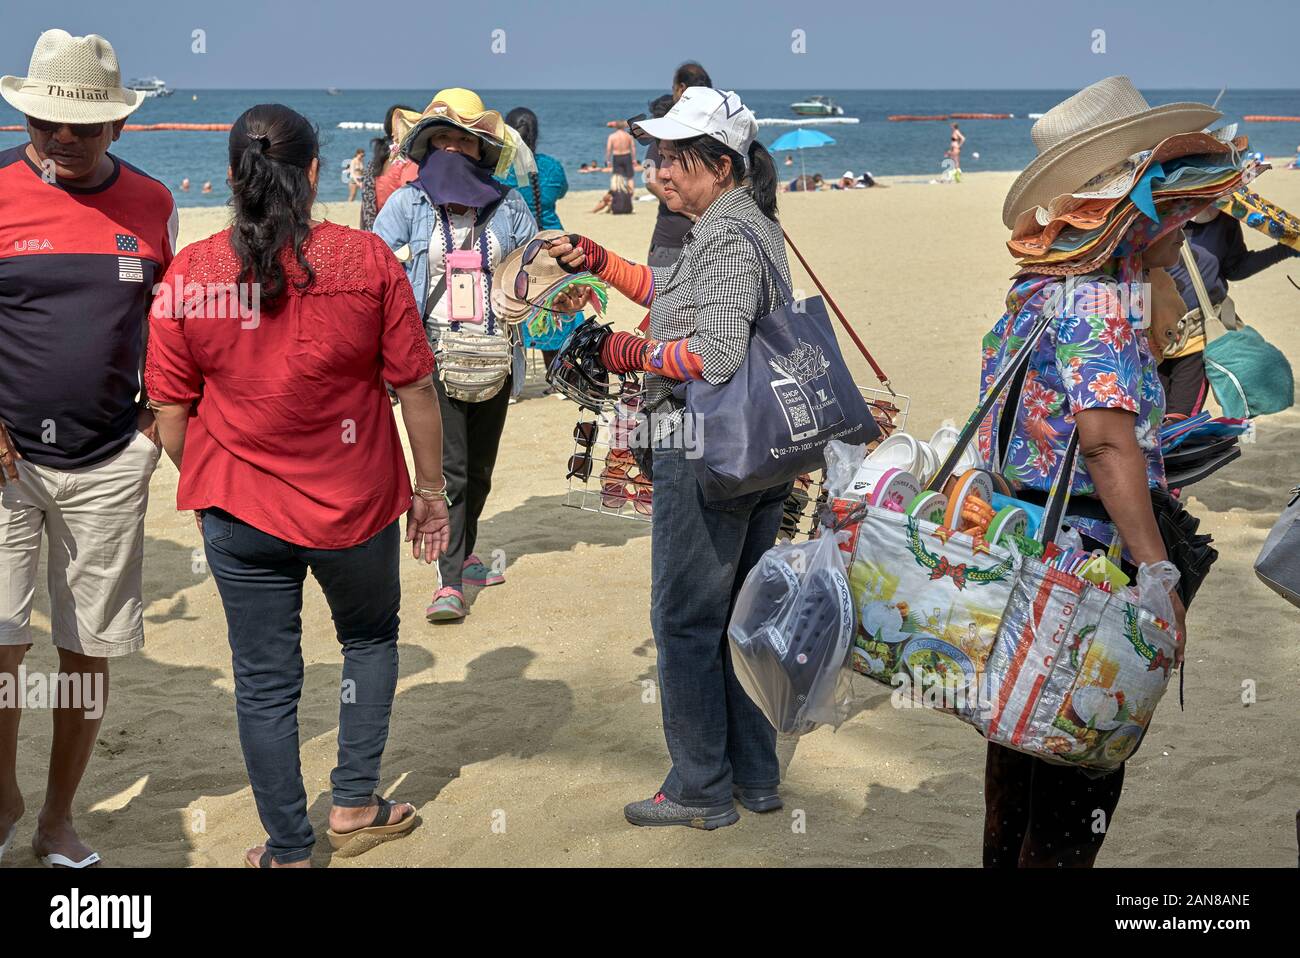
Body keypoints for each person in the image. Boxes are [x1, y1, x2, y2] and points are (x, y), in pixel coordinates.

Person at [146, 104, 449, 868]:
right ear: (315, 173)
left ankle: (287, 846)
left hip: (239, 511)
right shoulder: (367, 260)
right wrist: (433, 489)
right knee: (370, 640)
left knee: (264, 681)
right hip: (355, 501)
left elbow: (170, 410)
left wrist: (217, 481)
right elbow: (415, 386)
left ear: (230, 179)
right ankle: (353, 804)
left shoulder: (193, 274)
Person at [984, 77, 1233, 867]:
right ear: (1137, 207)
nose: (1193, 222)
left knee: (1018, 762)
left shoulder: (1038, 288)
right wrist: (1157, 574)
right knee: (1074, 785)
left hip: (1022, 549)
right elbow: (1105, 444)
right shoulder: (1096, 302)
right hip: (1085, 573)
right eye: (1179, 205)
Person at [545, 87, 791, 829]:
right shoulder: (738, 224)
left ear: (719, 165)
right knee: (734, 616)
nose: (657, 173)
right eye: (653, 159)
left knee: (685, 620)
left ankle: (698, 788)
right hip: (759, 449)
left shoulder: (726, 237)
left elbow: (711, 355)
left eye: (671, 160)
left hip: (707, 447)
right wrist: (598, 261)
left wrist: (626, 350)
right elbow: (673, 294)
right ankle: (753, 775)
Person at [0, 29, 176, 869]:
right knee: (1, 639)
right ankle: (3, 793)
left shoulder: (151, 203)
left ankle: (57, 821)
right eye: (44, 124)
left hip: (110, 457)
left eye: (80, 127)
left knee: (86, 646)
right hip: (6, 464)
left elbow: (185, 323)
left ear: (117, 129)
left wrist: (159, 420)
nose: (61, 140)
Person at [375, 89, 581, 621]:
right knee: (453, 468)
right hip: (432, 355)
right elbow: (376, 273)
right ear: (424, 146)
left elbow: (532, 270)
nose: (449, 149)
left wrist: (566, 288)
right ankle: (449, 582)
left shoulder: (508, 205)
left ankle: (465, 555)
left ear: (479, 149)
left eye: (460, 141)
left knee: (483, 469)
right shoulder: (406, 204)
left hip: (495, 352)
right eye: (439, 140)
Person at [1160, 206, 1300, 416]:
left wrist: (1285, 249)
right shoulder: (1150, 217)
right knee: (1149, 418)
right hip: (1150, 339)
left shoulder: (1224, 218)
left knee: (1180, 418)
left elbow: (1234, 267)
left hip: (1196, 336)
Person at [498, 107, 580, 379]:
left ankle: (509, 380)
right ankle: (559, 376)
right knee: (559, 308)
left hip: (519, 250)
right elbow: (562, 190)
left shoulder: (500, 171)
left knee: (513, 311)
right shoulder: (552, 167)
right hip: (557, 246)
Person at [643, 62, 712, 267]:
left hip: (701, 238)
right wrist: (692, 214)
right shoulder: (670, 130)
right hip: (672, 239)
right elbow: (651, 179)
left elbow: (650, 179)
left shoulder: (680, 130)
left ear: (681, 89)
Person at [360, 102, 417, 231]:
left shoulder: (376, 162)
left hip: (378, 233)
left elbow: (367, 210)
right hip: (401, 236)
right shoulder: (409, 162)